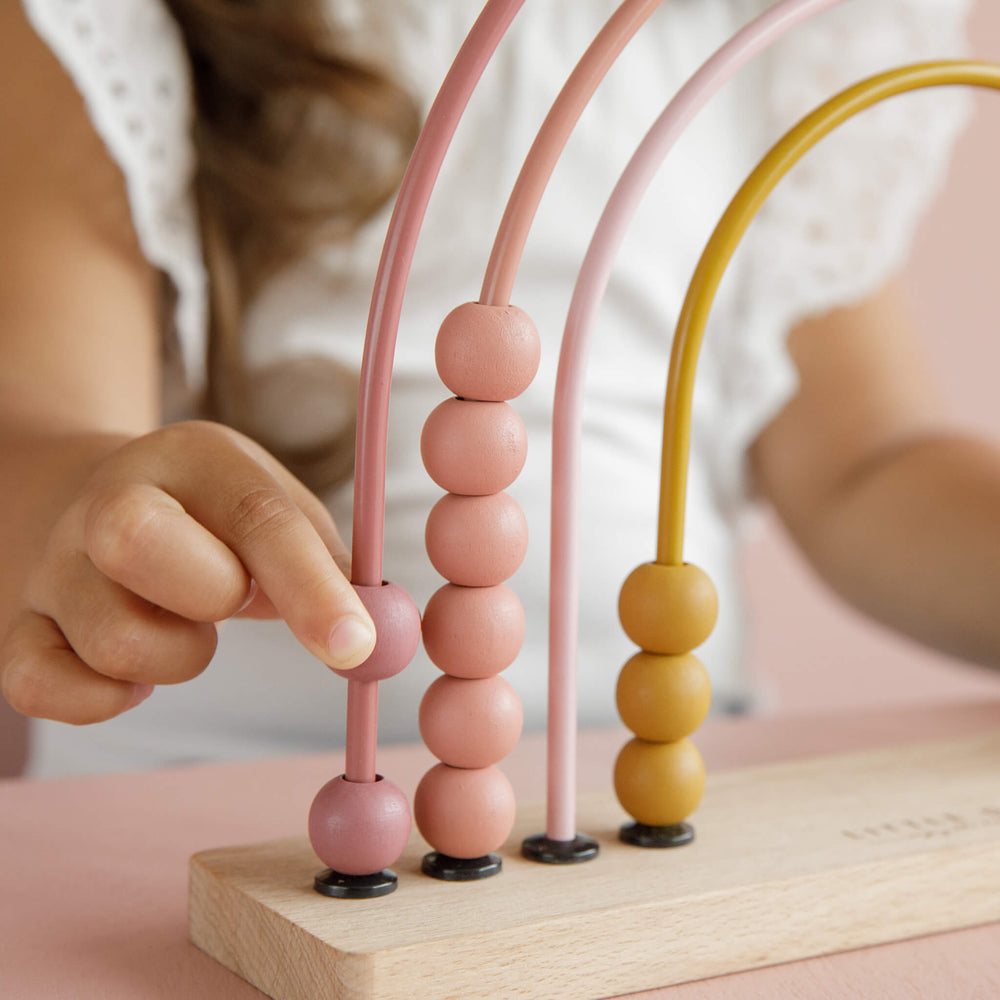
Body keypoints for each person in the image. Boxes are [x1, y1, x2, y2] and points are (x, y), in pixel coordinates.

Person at [1, 0, 996, 777]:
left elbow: (864, 464)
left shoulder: (758, 39)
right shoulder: (124, 24)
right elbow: (42, 432)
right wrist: (83, 515)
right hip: (187, 796)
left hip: (671, 782)